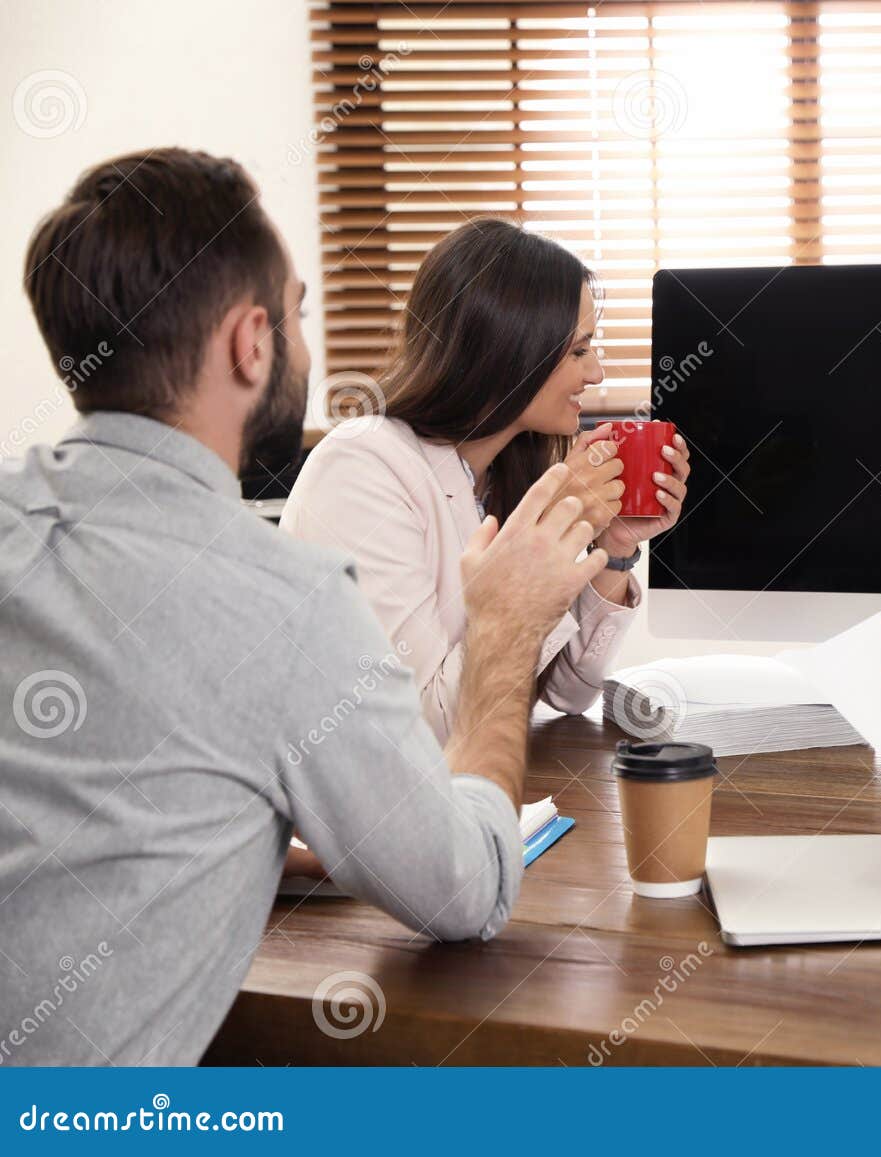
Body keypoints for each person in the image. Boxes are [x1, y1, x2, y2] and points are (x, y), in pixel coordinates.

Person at [0, 149, 608, 1065]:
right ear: (252, 343)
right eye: (297, 311)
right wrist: (505, 632)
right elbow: (469, 888)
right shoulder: (287, 599)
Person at [281, 219, 690, 743]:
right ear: (510, 350)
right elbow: (427, 728)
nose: (598, 374)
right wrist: (555, 524)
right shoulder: (361, 466)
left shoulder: (504, 471)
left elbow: (567, 693)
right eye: (579, 350)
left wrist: (611, 548)